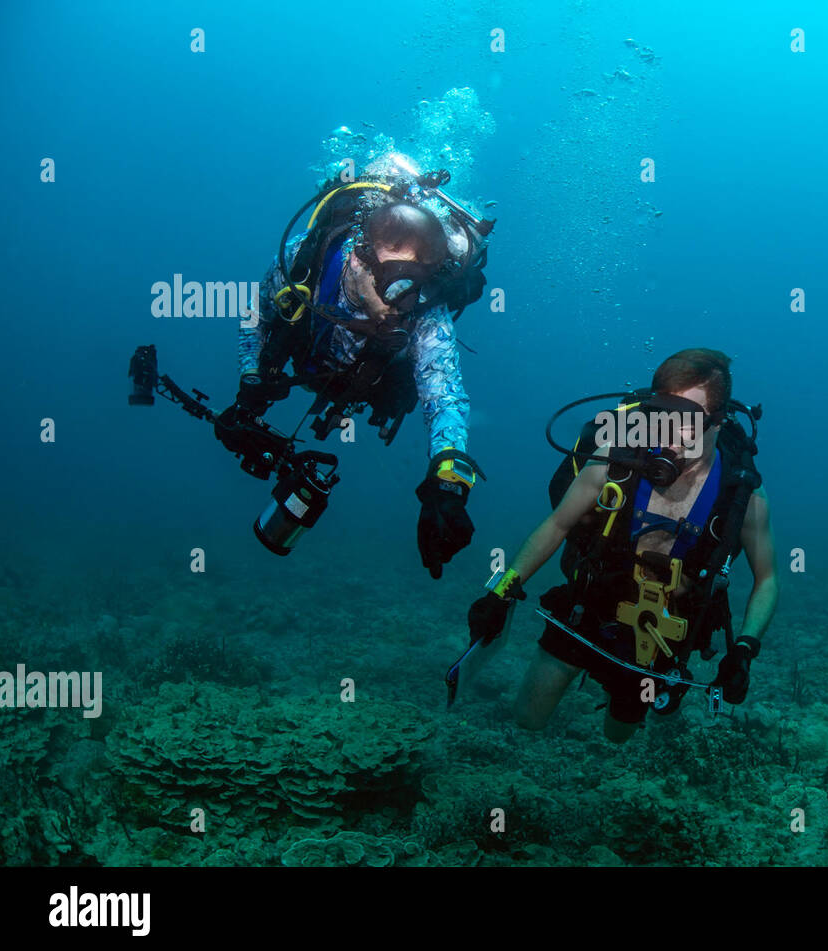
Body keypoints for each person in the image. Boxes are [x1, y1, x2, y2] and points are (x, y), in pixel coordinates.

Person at [466, 348, 778, 742]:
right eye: (661, 413)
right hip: (588, 606)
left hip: (660, 633)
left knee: (618, 736)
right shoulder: (616, 457)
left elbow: (766, 579)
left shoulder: (743, 494)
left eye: (687, 421)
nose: (668, 431)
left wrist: (745, 650)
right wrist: (502, 591)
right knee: (527, 718)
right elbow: (558, 524)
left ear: (718, 421)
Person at [216, 158, 491, 578]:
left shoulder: (426, 312)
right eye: (395, 285)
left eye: (417, 289)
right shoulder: (305, 259)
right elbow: (256, 315)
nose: (403, 305)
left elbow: (444, 393)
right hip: (308, 356)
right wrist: (251, 376)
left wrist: (448, 483)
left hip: (370, 383)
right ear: (360, 260)